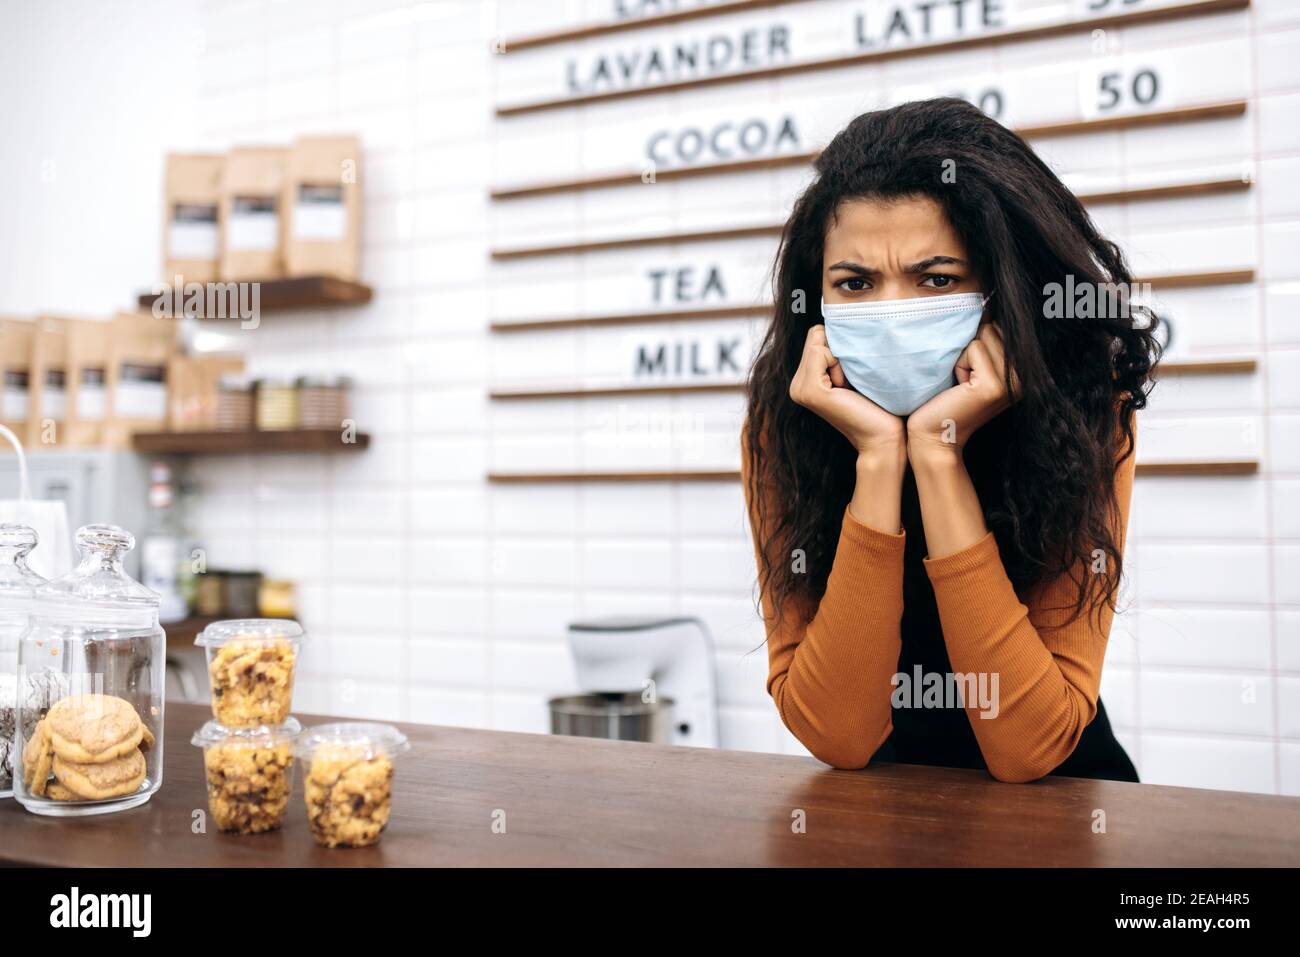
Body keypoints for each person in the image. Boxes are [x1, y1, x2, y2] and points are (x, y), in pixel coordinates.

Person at [742, 98, 1161, 782]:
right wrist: (880, 458)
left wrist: (938, 456)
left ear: (1002, 290)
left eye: (936, 279)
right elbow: (838, 733)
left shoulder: (1087, 407)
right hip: (877, 815)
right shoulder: (783, 424)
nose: (892, 312)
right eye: (855, 282)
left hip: (1064, 806)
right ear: (815, 298)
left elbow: (1028, 748)